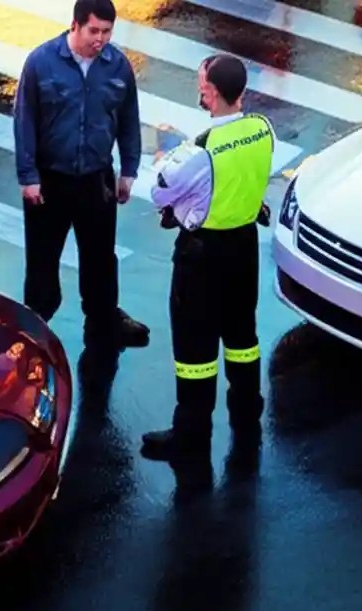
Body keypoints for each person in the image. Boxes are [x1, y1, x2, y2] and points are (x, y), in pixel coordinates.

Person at [141, 54, 275, 460]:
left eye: (202, 84)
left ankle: (191, 433)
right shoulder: (262, 130)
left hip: (203, 258)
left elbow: (160, 190)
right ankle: (247, 406)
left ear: (211, 93)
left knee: (195, 349)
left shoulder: (202, 149)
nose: (200, 89)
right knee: (241, 335)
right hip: (245, 247)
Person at [13, 0, 149, 348]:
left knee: (101, 256)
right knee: (42, 257)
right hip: (50, 179)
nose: (100, 39)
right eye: (94, 31)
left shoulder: (117, 67)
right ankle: (37, 322)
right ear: (75, 26)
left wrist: (129, 170)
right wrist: (28, 177)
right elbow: (24, 121)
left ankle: (104, 317)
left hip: (96, 178)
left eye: (106, 31)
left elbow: (128, 119)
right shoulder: (41, 63)